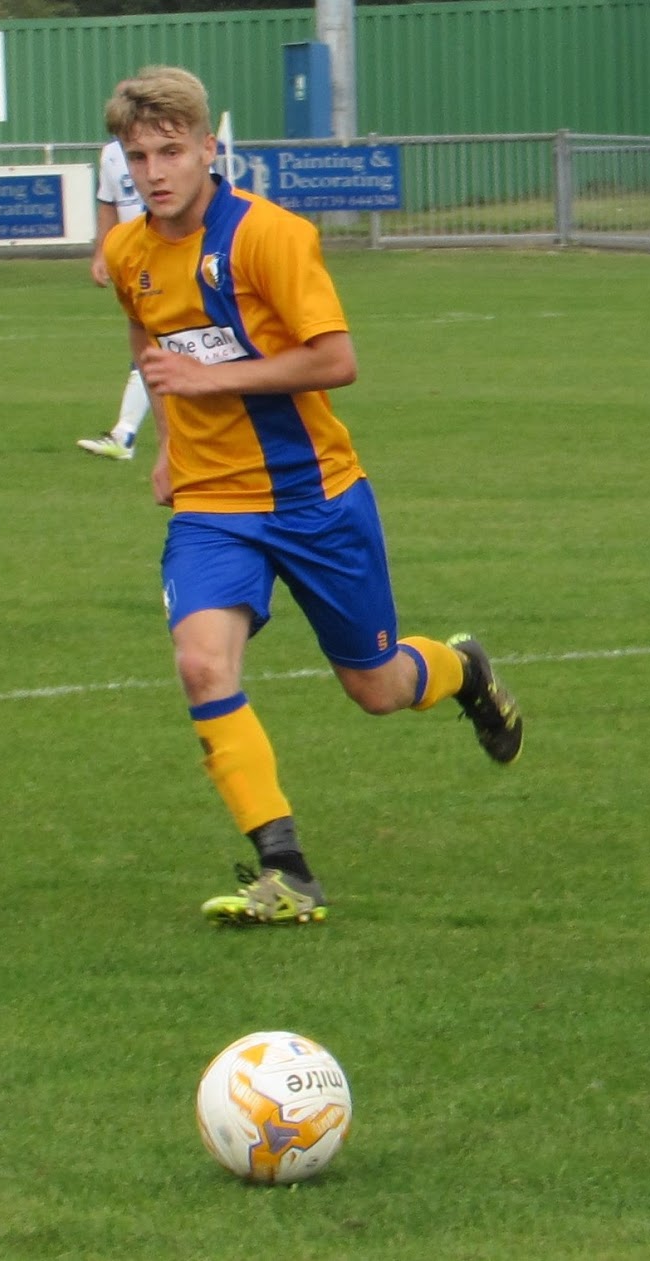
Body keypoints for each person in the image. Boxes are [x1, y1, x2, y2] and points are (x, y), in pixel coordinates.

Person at [101, 65, 524, 926]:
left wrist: (205, 382)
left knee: (376, 686)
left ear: (208, 149)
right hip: (213, 504)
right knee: (200, 663)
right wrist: (172, 443)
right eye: (137, 155)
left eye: (171, 151)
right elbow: (152, 347)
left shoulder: (270, 236)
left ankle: (463, 669)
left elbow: (336, 361)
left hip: (316, 496)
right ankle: (285, 869)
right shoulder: (126, 252)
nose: (154, 172)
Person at [79, 134, 151, 461]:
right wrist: (101, 255)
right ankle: (125, 434)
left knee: (163, 347)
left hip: (172, 256)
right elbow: (108, 205)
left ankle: (125, 434)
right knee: (153, 346)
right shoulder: (110, 154)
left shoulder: (164, 146)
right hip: (136, 261)